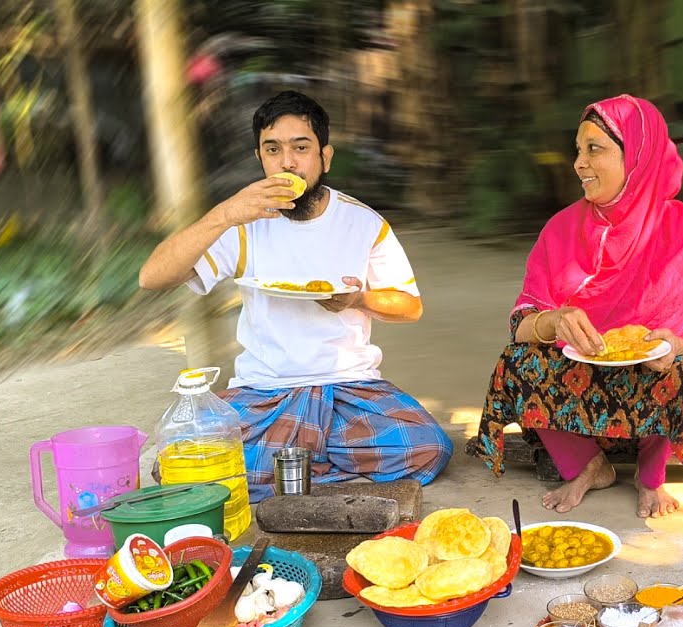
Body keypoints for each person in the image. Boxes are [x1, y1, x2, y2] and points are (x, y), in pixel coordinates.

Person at [139, 90, 453, 502]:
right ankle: (308, 470)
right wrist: (225, 214)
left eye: (300, 148)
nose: (287, 162)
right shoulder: (241, 222)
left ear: (325, 156)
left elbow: (410, 306)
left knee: (428, 448)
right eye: (273, 150)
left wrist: (359, 301)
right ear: (261, 158)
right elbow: (152, 277)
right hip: (264, 391)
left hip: (350, 390)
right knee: (177, 466)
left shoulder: (363, 223)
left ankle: (289, 471)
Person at [467, 94, 683, 518]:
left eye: (595, 149)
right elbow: (520, 326)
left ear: (638, 157)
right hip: (575, 409)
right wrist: (551, 321)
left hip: (654, 410)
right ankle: (588, 465)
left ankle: (650, 476)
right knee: (518, 361)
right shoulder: (560, 230)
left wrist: (680, 348)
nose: (579, 163)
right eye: (578, 150)